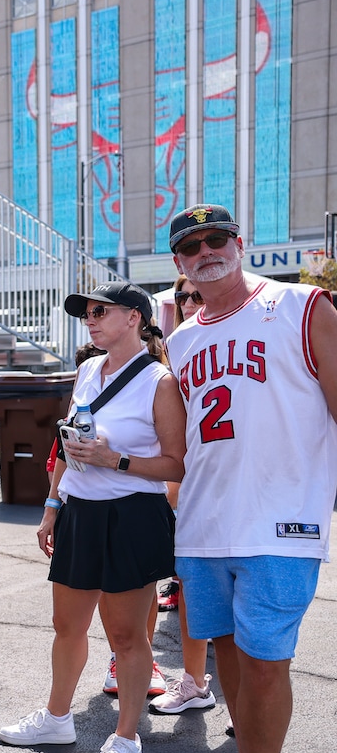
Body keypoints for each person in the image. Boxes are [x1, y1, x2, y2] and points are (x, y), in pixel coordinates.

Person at [163, 204, 337, 753]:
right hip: (206, 522)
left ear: (241, 243)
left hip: (281, 519)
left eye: (216, 238)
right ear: (179, 263)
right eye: (191, 245)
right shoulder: (180, 339)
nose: (206, 250)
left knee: (267, 663)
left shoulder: (302, 304)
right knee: (229, 659)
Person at [0, 283, 185, 753]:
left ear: (135, 318)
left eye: (101, 312)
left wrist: (115, 460)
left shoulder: (160, 381)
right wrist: (53, 504)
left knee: (127, 636)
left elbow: (177, 464)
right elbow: (66, 444)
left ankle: (127, 738)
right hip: (79, 511)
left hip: (132, 516)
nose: (91, 320)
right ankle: (59, 717)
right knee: (66, 625)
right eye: (86, 314)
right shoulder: (85, 370)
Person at [149, 276, 217, 717]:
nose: (191, 302)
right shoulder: (176, 348)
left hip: (232, 485)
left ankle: (243, 702)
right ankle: (194, 682)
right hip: (184, 487)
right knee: (190, 588)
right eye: (182, 296)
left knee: (243, 601)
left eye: (198, 294)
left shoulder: (237, 333)